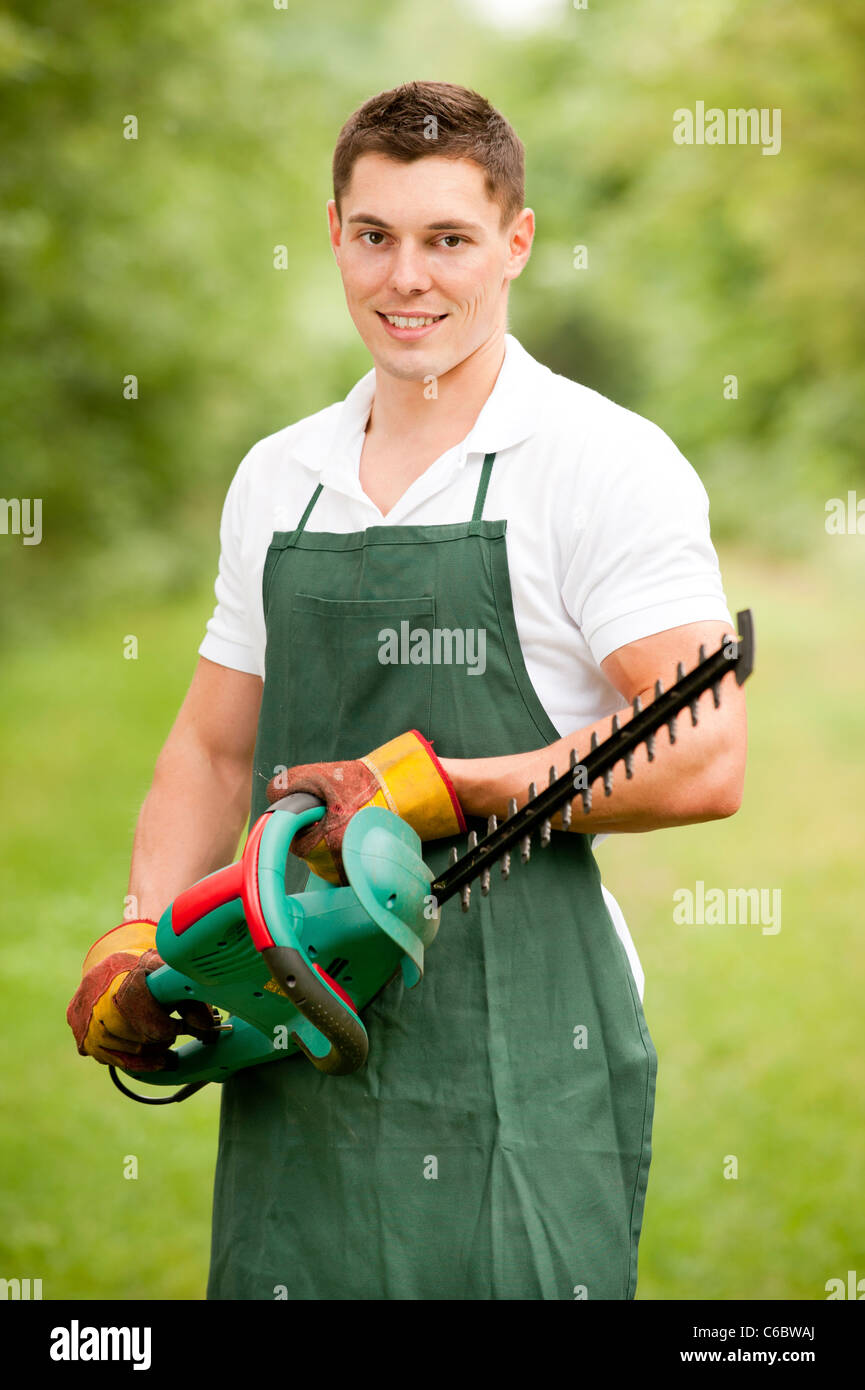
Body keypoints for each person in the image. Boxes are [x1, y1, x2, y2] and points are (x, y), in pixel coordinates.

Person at [67, 81, 747, 1300]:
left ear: (516, 243)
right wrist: (138, 925)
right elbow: (215, 751)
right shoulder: (283, 478)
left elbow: (700, 751)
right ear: (333, 234)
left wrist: (432, 792)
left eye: (448, 240)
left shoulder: (599, 461)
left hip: (525, 1045)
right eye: (374, 236)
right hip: (301, 1017)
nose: (405, 279)